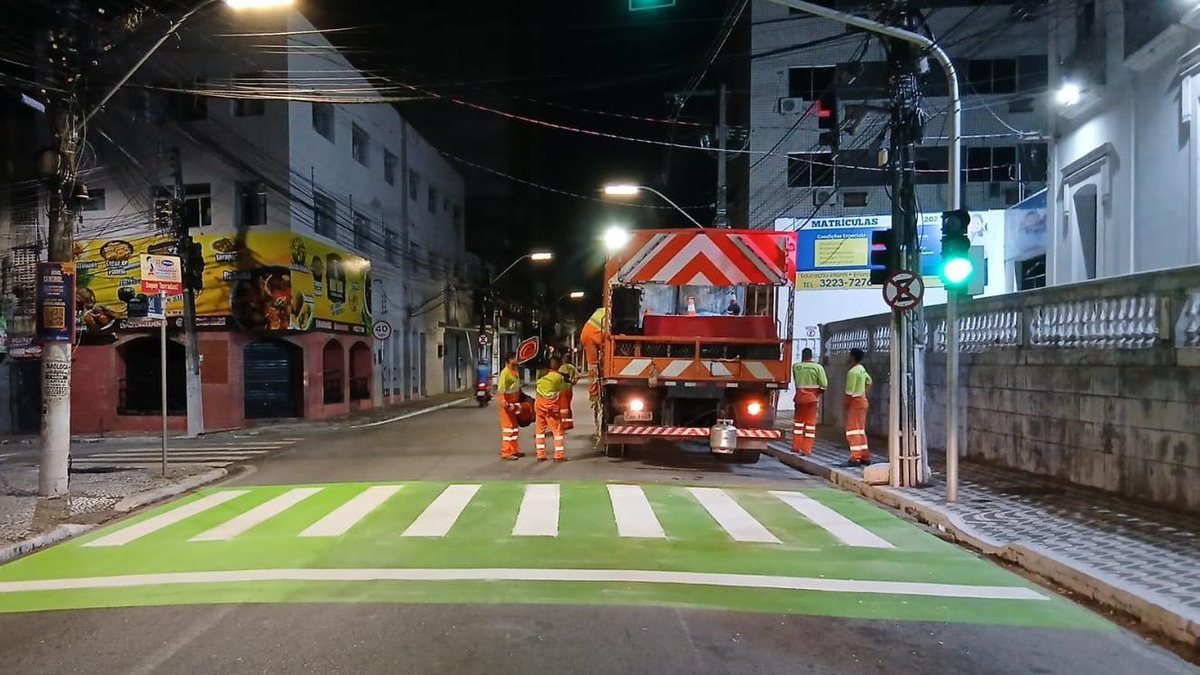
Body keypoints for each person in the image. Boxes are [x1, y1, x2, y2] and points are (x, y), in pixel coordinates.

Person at [791, 347, 827, 455]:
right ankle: (806, 449)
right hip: (812, 400)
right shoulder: (818, 368)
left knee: (798, 424)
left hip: (799, 400)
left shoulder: (796, 367)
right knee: (810, 425)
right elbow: (824, 384)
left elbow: (796, 381)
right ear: (811, 356)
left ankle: (796, 447)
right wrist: (817, 393)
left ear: (802, 356)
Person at [534, 356, 570, 461]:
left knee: (540, 431)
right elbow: (564, 389)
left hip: (539, 406)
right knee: (557, 431)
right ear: (558, 365)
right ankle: (559, 455)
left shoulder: (540, 374)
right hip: (551, 408)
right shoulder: (558, 378)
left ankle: (540, 455)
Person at [845, 348, 873, 465]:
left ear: (853, 357)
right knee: (861, 430)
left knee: (852, 430)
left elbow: (849, 392)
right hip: (863, 401)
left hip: (855, 402)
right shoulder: (862, 369)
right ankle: (864, 455)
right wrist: (863, 392)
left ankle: (855, 457)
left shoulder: (852, 372)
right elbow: (869, 381)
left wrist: (846, 404)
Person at [497, 353, 525, 461]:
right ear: (509, 360)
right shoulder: (505, 372)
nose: (517, 360)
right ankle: (506, 452)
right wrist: (503, 401)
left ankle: (514, 450)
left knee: (514, 427)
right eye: (515, 358)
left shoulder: (515, 371)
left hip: (514, 404)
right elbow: (501, 389)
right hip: (507, 404)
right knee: (508, 428)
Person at [556, 349, 578, 431]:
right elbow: (577, 376)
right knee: (568, 405)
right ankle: (569, 422)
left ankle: (565, 424)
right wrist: (573, 382)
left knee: (564, 407)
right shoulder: (572, 367)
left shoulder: (562, 367)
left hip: (563, 387)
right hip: (569, 387)